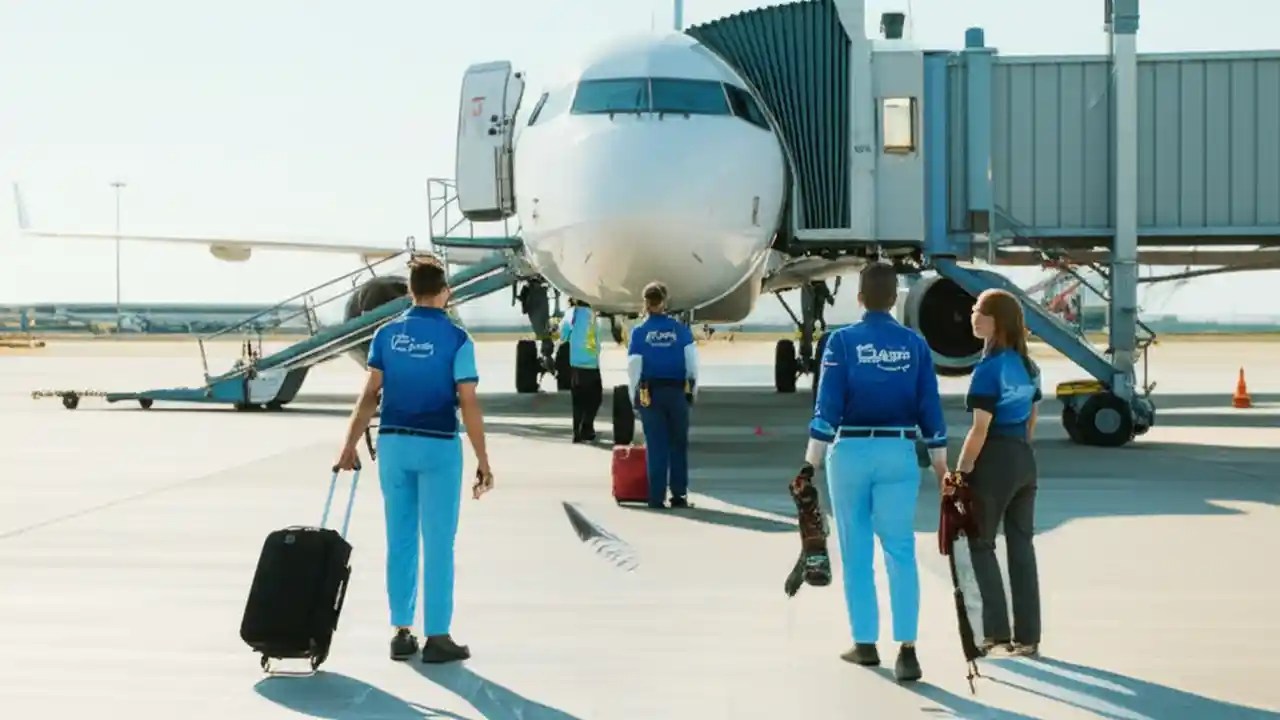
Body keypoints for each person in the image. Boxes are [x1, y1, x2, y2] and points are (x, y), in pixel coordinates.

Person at [334, 258, 494, 664]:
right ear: (445, 292)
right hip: (438, 446)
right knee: (438, 542)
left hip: (393, 446)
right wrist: (483, 459)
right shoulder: (458, 339)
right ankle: (437, 637)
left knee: (399, 538)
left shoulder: (386, 335)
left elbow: (369, 396)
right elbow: (469, 403)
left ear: (410, 292)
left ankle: (401, 633)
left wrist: (349, 445)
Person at [803, 262, 948, 682]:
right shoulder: (915, 345)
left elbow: (826, 407)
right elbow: (930, 407)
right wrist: (941, 465)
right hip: (900, 452)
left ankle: (865, 643)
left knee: (856, 551)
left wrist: (808, 464)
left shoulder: (841, 343)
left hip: (849, 450)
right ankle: (908, 651)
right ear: (895, 300)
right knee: (900, 550)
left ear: (860, 298)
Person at [951, 288, 1042, 658]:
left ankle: (995, 632)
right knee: (1021, 547)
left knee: (981, 544)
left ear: (996, 321)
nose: (973, 315)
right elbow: (1033, 417)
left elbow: (979, 429)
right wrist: (1021, 453)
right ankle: (1029, 637)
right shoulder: (1029, 366)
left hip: (994, 459)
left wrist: (960, 472)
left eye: (979, 310)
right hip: (1024, 459)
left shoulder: (988, 370)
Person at [626, 281, 698, 509]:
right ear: (665, 302)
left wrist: (633, 397)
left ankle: (656, 498)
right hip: (676, 392)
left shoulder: (639, 333)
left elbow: (634, 367)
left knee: (656, 445)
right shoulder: (680, 330)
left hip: (650, 393)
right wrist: (692, 393)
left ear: (645, 303)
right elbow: (692, 365)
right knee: (678, 444)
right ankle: (679, 495)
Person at [559, 298, 603, 443]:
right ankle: (587, 427)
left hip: (577, 364)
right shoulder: (593, 314)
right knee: (595, 399)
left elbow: (563, 336)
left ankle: (577, 432)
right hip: (591, 364)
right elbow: (598, 338)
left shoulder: (572, 313)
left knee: (578, 401)